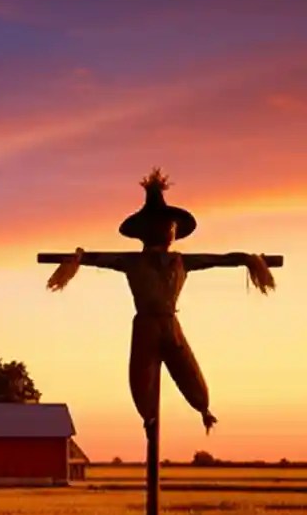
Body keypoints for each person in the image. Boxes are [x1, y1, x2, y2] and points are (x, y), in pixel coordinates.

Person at [46, 169, 275, 433]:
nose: (168, 230)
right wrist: (77, 258)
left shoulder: (181, 262)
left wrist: (248, 259)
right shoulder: (132, 262)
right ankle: (149, 418)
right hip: (145, 325)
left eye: (171, 226)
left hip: (170, 324)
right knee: (142, 373)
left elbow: (218, 259)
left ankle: (202, 407)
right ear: (144, 231)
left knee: (186, 368)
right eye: (163, 225)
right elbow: (98, 258)